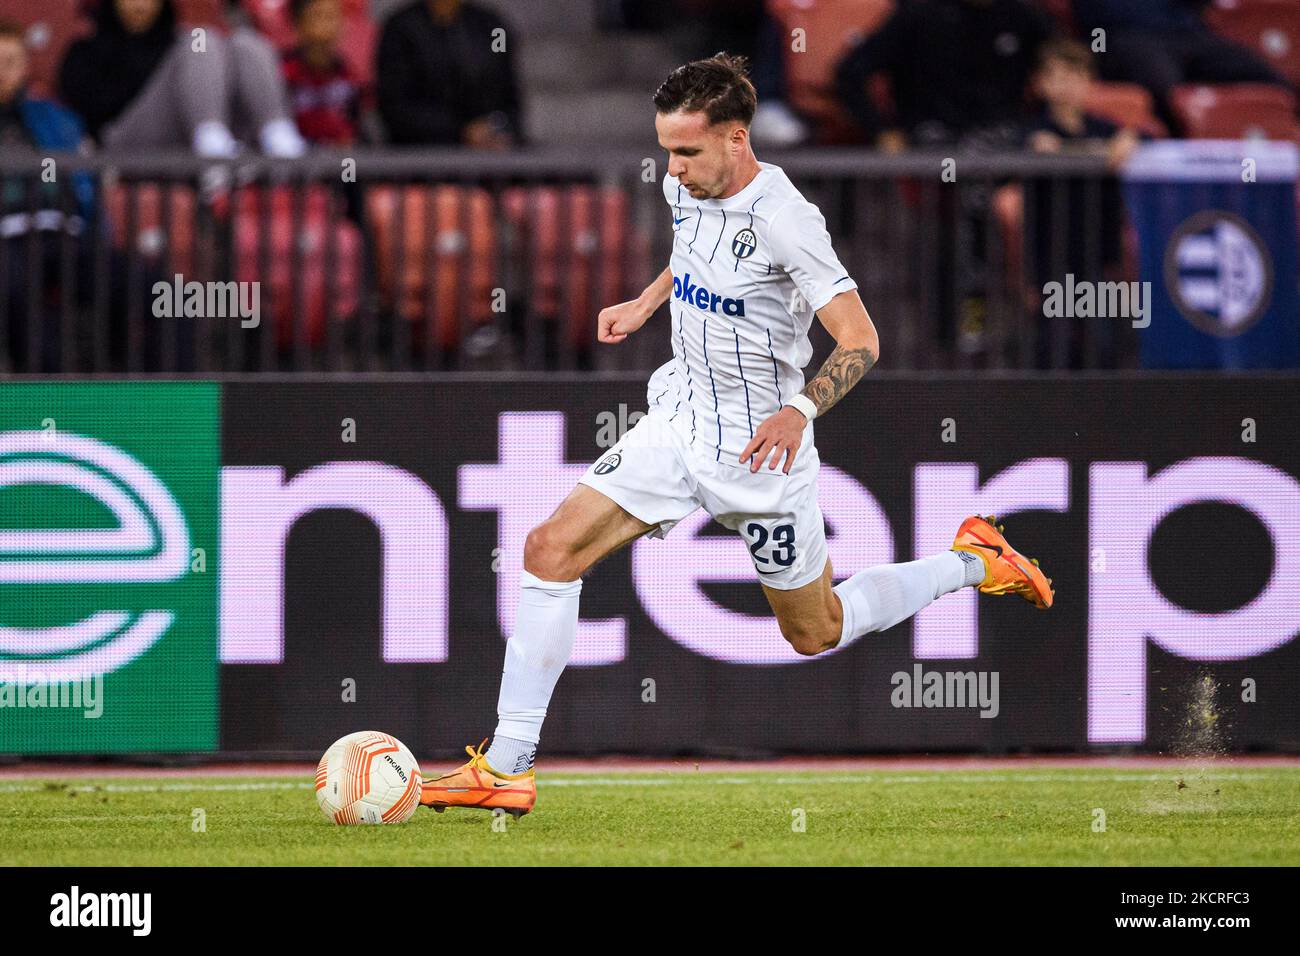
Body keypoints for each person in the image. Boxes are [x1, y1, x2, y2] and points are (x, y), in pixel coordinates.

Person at [417, 54, 1056, 817]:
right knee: (548, 549)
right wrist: (649, 301)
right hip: (678, 419)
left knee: (815, 631)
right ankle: (508, 766)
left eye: (688, 152)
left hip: (762, 456)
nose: (674, 169)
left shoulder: (788, 220)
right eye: (666, 151)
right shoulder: (683, 184)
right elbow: (690, 250)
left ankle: (971, 562)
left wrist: (801, 412)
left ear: (736, 140)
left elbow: (860, 339)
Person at [58, 0, 306, 157]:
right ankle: (211, 145)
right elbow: (89, 109)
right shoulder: (86, 49)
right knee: (201, 39)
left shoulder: (172, 38)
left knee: (245, 42)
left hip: (184, 139)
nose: (140, 5)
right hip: (121, 144)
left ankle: (277, 134)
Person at [1024, 38, 1138, 368]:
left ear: (1089, 81)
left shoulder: (1104, 128)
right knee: (1054, 343)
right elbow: (1021, 145)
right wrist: (1037, 146)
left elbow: (1145, 137)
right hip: (1051, 260)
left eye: (1075, 76)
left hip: (1097, 257)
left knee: (1103, 342)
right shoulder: (1036, 129)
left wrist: (1129, 139)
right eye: (1057, 77)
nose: (1066, 86)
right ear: (1040, 84)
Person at [1071, 0, 1289, 136]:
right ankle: (1180, 152)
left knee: (1267, 75)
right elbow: (1094, 25)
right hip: (1130, 37)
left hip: (1187, 35)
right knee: (1161, 83)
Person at [376, 0, 522, 147]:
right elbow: (396, 108)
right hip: (420, 154)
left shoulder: (493, 27)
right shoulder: (400, 28)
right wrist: (461, 132)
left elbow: (509, 99)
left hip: (490, 154)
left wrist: (495, 127)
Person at [281, 0, 364, 146]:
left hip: (340, 161)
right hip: (294, 159)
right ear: (297, 23)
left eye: (333, 16)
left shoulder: (347, 75)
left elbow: (354, 125)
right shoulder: (284, 72)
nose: (328, 25)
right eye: (318, 15)